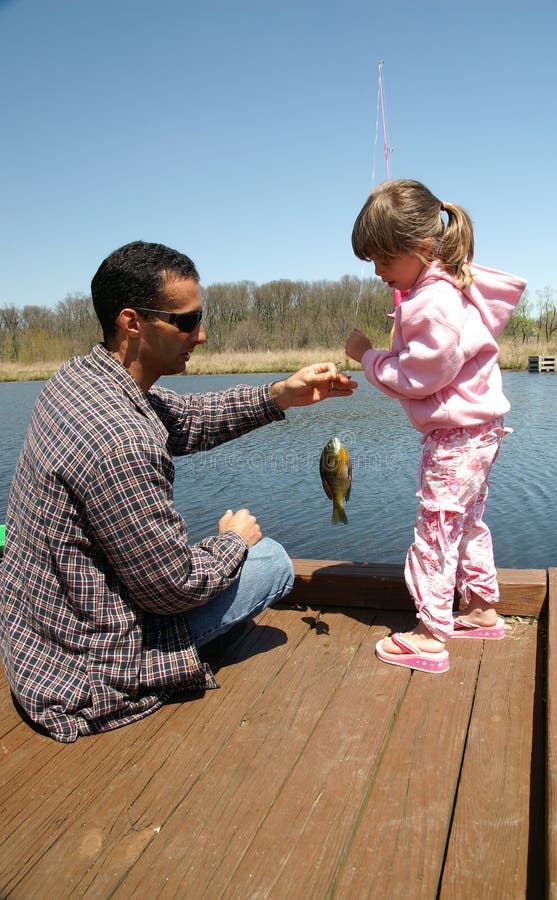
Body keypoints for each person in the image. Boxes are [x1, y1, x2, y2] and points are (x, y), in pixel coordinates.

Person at [0, 240, 357, 741]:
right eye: (186, 322)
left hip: (40, 633)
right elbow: (173, 589)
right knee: (271, 559)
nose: (202, 334)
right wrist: (233, 541)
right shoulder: (120, 438)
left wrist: (280, 396)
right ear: (132, 322)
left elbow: (187, 418)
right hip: (87, 657)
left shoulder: (79, 379)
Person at [345, 179, 526, 673]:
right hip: (479, 430)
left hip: (457, 436)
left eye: (384, 260)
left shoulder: (432, 301)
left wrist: (368, 356)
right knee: (464, 520)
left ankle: (429, 635)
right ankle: (482, 608)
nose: (379, 272)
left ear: (421, 248)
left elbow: (417, 379)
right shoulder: (441, 290)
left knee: (436, 527)